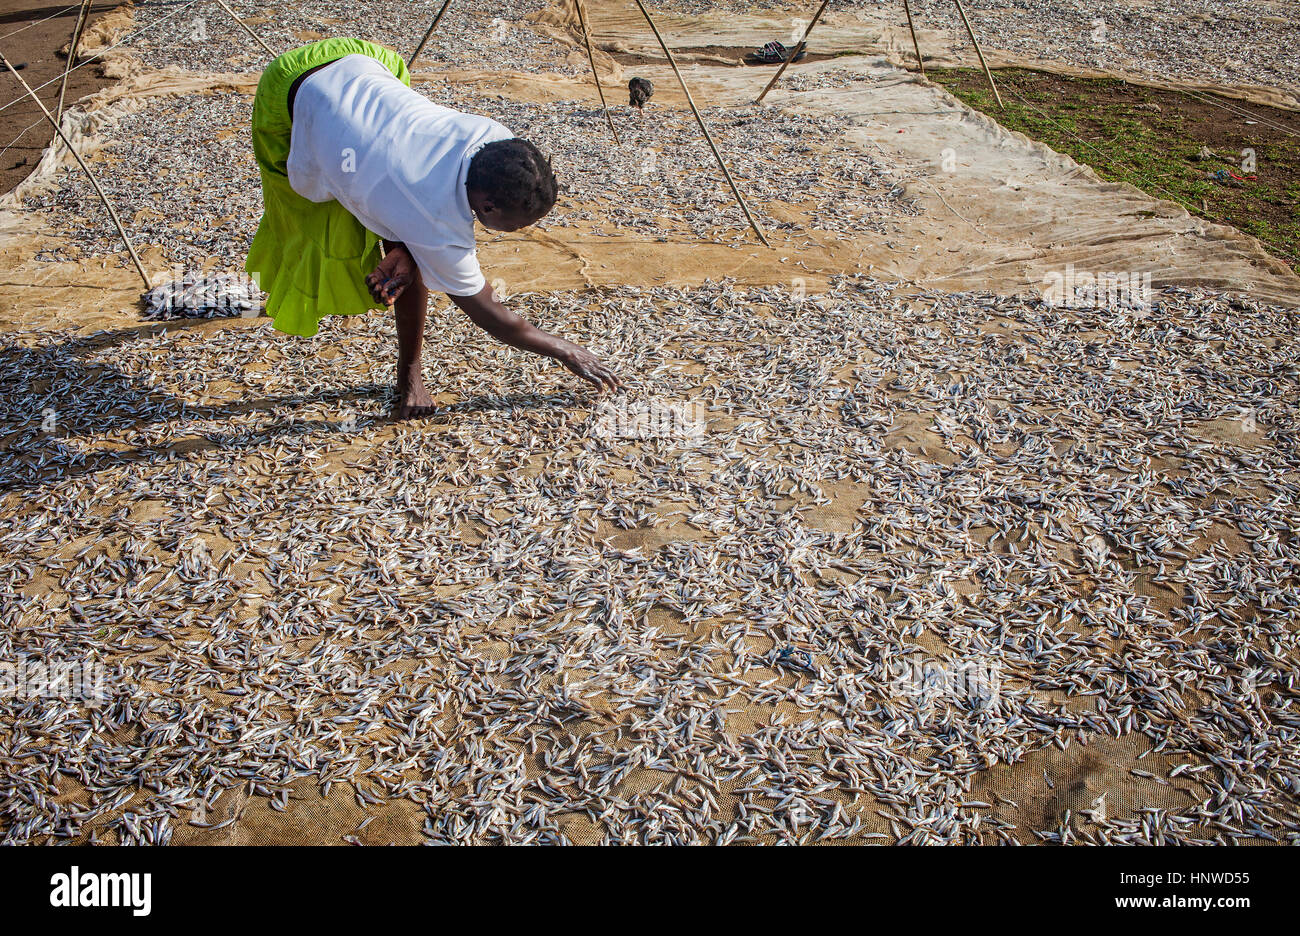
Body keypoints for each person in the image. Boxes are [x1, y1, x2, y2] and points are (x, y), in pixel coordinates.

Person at [245, 38, 621, 418]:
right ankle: (407, 372)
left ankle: (408, 366)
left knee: (405, 238)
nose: (518, 231)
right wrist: (566, 350)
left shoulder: (496, 141)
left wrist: (408, 246)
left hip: (364, 60)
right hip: (289, 89)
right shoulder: (436, 226)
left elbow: (416, 206)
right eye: (514, 225)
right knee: (312, 225)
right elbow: (492, 317)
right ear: (486, 205)